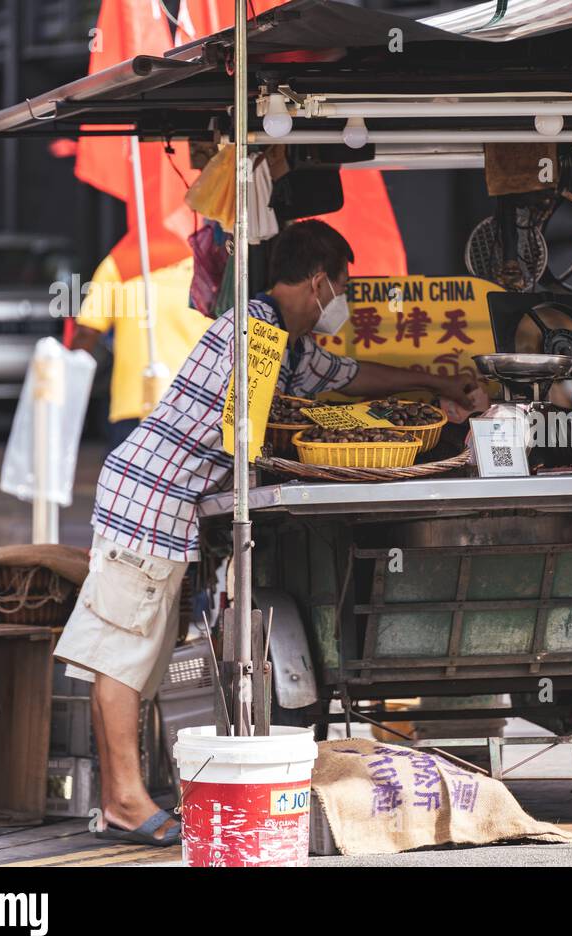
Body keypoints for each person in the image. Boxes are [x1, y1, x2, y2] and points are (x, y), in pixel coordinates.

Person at [54, 220, 481, 845]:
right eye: (342, 288)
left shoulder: (276, 333)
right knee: (122, 655)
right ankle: (122, 800)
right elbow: (245, 433)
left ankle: (128, 792)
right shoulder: (255, 333)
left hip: (162, 509)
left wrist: (439, 384)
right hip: (147, 507)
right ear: (317, 282)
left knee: (134, 655)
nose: (343, 303)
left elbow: (348, 377)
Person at [70, 256, 214, 450]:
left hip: (134, 404)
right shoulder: (204, 258)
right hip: (195, 404)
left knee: (127, 479)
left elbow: (87, 331)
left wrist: (66, 382)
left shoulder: (118, 263)